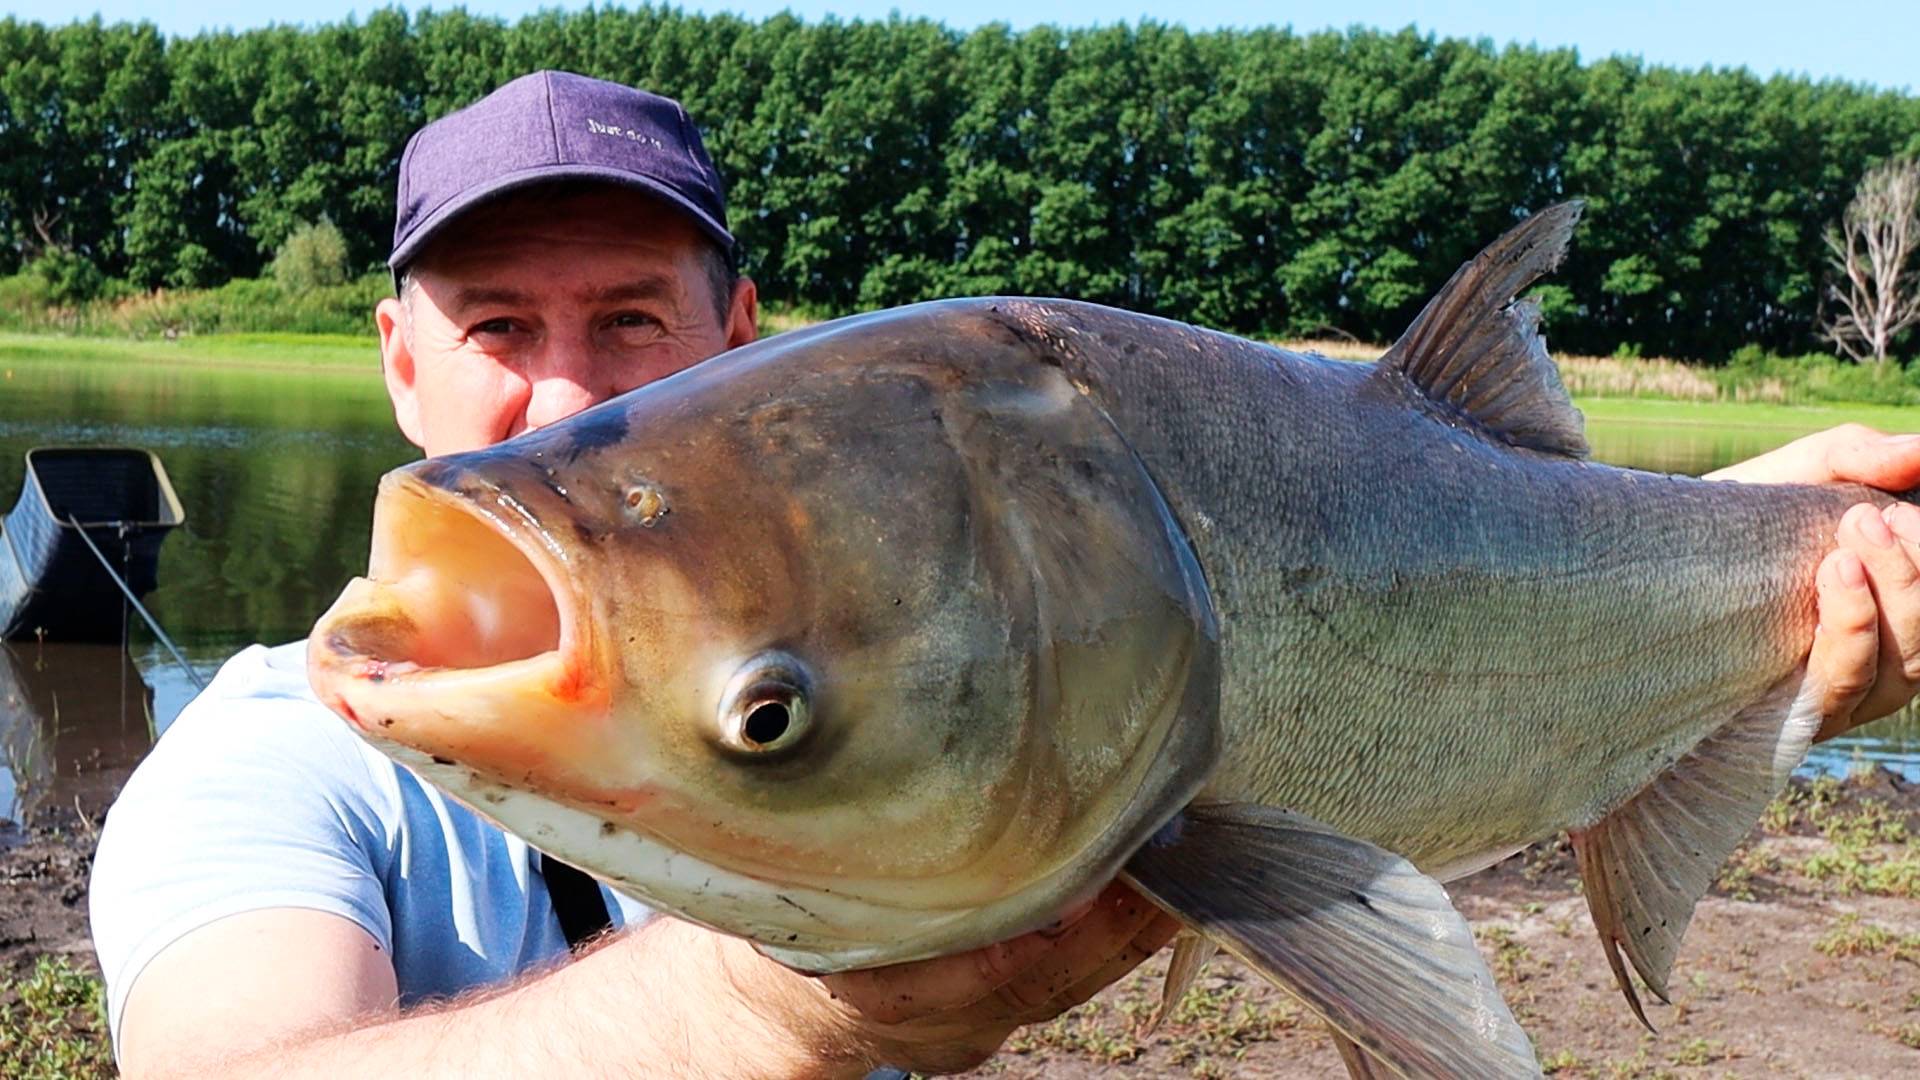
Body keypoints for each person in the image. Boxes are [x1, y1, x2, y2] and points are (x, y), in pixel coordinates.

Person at [89, 71, 1920, 1079]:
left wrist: (1761, 552)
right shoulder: (269, 764)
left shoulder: (931, 574)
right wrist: (764, 1006)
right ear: (398, 362)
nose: (560, 390)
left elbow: (1427, 548)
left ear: (741, 342)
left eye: (632, 320)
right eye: (494, 325)